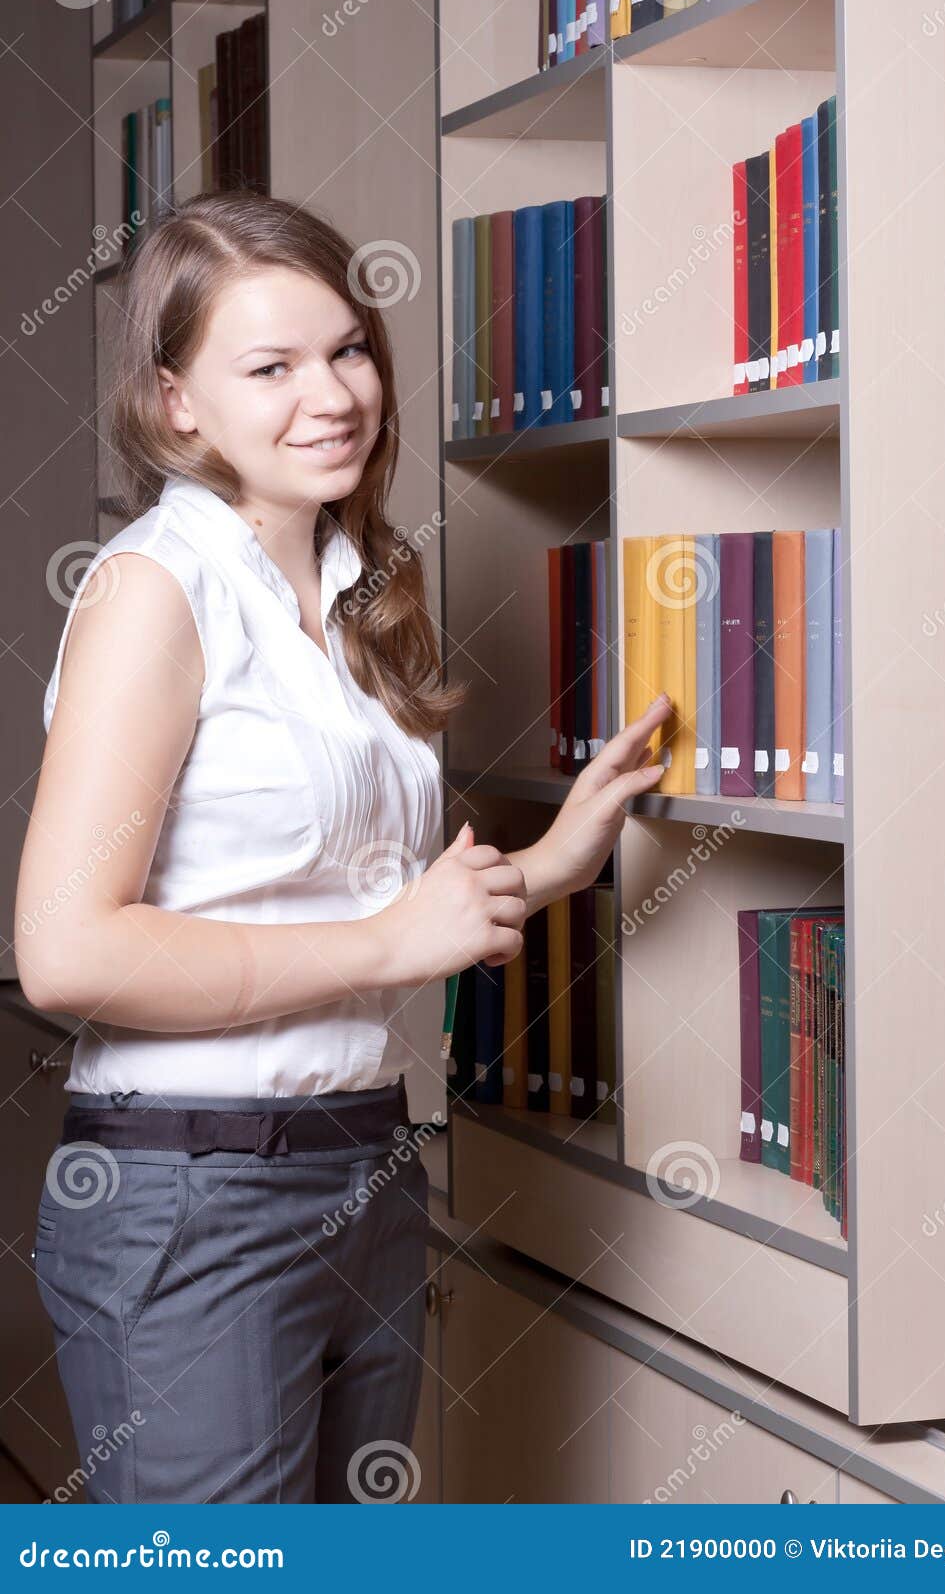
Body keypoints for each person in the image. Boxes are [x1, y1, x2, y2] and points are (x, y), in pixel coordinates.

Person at [14, 190, 670, 1503]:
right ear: (176, 400)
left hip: (362, 1167)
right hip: (194, 1191)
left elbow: (357, 892)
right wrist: (388, 942)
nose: (332, 395)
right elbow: (66, 951)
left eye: (348, 349)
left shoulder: (361, 584)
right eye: (270, 366)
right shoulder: (156, 590)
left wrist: (550, 864)